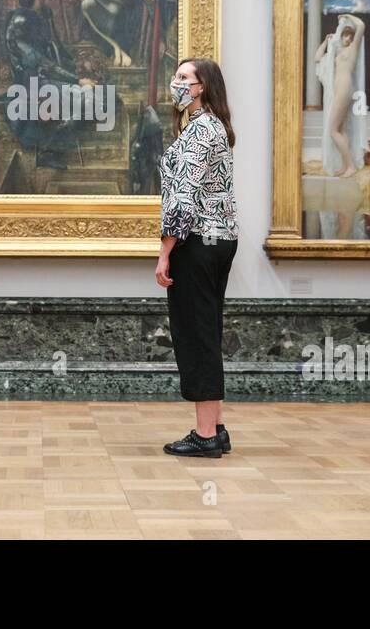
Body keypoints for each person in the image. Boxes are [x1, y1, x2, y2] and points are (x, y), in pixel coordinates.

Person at [156, 58, 239, 458]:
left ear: (202, 86)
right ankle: (216, 428)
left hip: (197, 242)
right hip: (218, 239)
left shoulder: (199, 132)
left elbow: (183, 200)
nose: (176, 83)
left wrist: (165, 252)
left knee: (195, 335)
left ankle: (205, 435)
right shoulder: (211, 127)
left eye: (183, 78)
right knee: (206, 329)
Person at [2, 0, 97, 170]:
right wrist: (76, 80)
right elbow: (40, 62)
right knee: (90, 100)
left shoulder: (45, 13)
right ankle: (47, 150)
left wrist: (79, 66)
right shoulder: (20, 21)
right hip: (31, 84)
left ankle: (55, 142)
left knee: (101, 97)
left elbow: (56, 47)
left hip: (49, 77)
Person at [314, 13, 366, 179]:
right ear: (341, 37)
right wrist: (326, 41)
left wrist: (347, 15)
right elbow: (317, 58)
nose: (348, 39)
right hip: (340, 90)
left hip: (344, 89)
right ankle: (346, 166)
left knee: (333, 130)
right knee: (341, 130)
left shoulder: (352, 50)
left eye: (350, 37)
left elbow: (361, 26)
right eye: (345, 36)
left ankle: (350, 166)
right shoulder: (336, 54)